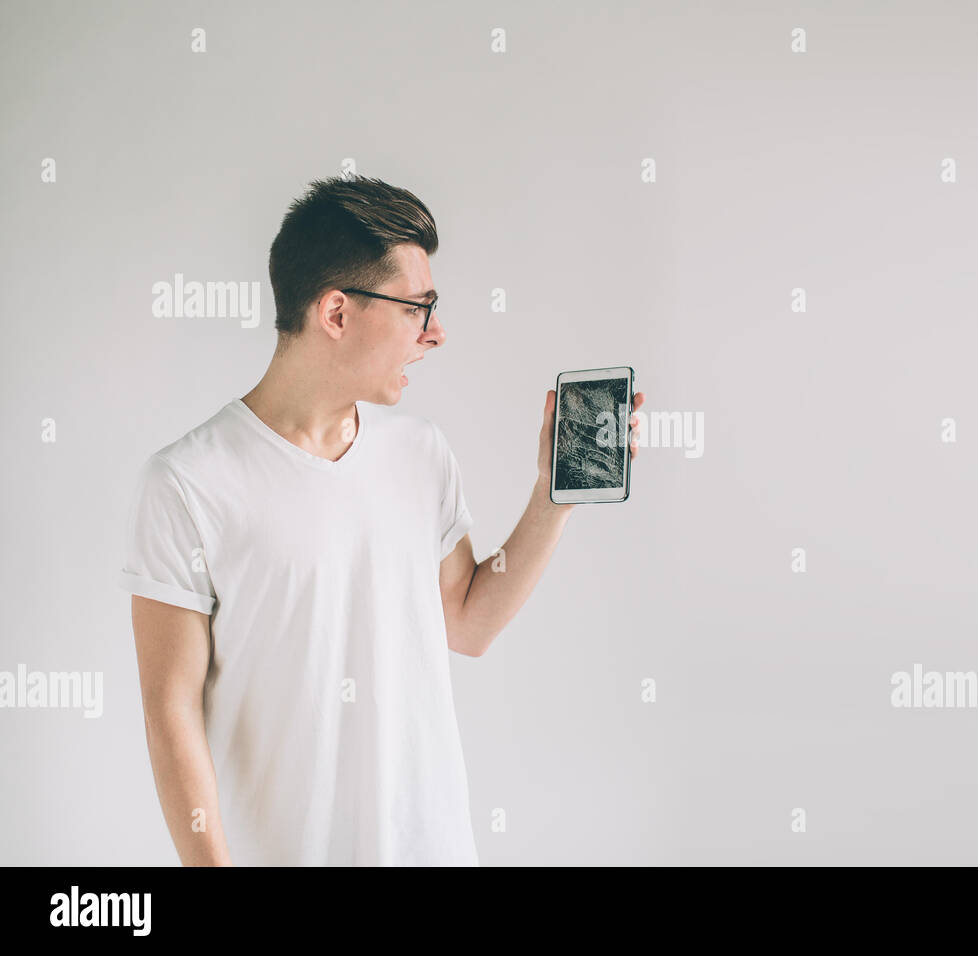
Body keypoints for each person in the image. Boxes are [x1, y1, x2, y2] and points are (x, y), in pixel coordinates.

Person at [117, 176, 645, 865]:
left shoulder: (419, 451)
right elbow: (170, 712)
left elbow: (469, 621)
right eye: (418, 309)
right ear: (336, 312)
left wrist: (554, 493)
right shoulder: (188, 482)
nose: (436, 333)